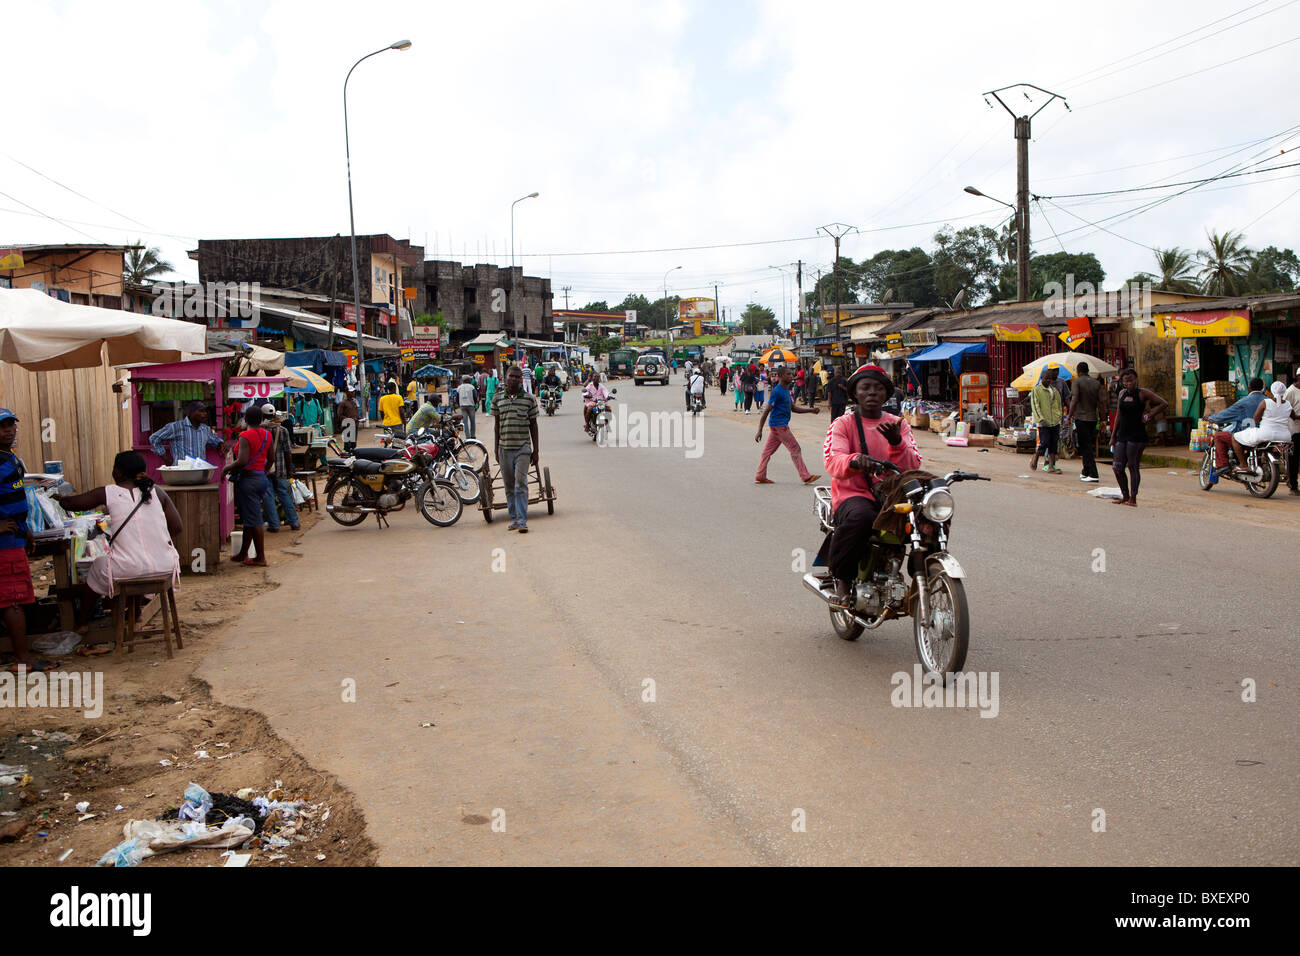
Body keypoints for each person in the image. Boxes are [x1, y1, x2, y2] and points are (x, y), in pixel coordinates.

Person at [821, 365, 922, 607]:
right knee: (861, 517)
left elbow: (913, 465)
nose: (872, 392)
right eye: (865, 387)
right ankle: (842, 579)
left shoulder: (899, 424)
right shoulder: (842, 424)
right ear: (855, 393)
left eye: (878, 388)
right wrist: (854, 460)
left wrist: (897, 443)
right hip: (853, 493)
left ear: (887, 394)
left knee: (928, 517)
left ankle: (924, 574)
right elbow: (832, 460)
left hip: (892, 494)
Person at [55, 451, 183, 633]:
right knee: (135, 560)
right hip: (166, 567)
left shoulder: (108, 492)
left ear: (118, 473)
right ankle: (136, 612)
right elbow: (177, 527)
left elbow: (72, 504)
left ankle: (82, 622)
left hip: (128, 569)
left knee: (99, 566)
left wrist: (59, 499)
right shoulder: (157, 492)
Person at [0, 409, 38, 670]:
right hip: (5, 543)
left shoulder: (9, 457)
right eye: (3, 426)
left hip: (16, 535)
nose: (9, 430)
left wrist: (25, 528)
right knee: (13, 598)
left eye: (12, 425)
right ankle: (22, 657)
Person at [221, 404, 274, 566]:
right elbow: (271, 459)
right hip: (261, 479)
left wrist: (226, 469)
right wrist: (262, 471)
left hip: (249, 480)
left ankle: (260, 557)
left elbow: (242, 460)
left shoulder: (245, 435)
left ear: (246, 419)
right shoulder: (267, 435)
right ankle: (243, 553)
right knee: (250, 518)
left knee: (255, 519)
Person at [755, 366, 822, 484]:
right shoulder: (777, 391)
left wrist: (810, 410)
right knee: (795, 448)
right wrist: (759, 430)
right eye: (788, 374)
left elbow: (793, 408)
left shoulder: (787, 391)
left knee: (767, 452)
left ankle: (760, 475)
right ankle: (805, 476)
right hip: (779, 426)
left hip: (777, 426)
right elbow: (767, 410)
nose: (791, 376)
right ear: (780, 376)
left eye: (791, 374)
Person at [1110, 368, 1167, 507]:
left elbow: (1163, 403)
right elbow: (1119, 415)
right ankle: (1125, 495)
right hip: (1123, 434)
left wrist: (1149, 415)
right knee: (1117, 467)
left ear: (1136, 381)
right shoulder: (1122, 394)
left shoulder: (1142, 393)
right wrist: (1113, 435)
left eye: (1131, 380)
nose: (1128, 383)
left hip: (1137, 435)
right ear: (1123, 382)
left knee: (1133, 465)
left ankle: (1133, 498)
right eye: (1126, 381)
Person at [492, 365, 539, 533]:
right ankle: (514, 517)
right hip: (504, 449)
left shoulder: (529, 399)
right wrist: (496, 448)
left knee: (520, 484)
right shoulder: (497, 399)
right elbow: (497, 426)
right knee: (509, 486)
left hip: (523, 449)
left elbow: (534, 425)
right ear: (505, 378)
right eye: (511, 376)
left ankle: (522, 520)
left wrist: (536, 450)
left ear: (521, 380)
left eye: (517, 377)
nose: (514, 379)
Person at [1225, 381, 1292, 479]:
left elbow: (1255, 418)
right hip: (1285, 436)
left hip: (1265, 434)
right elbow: (1294, 416)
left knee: (1235, 437)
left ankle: (1243, 464)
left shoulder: (1266, 402)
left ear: (1272, 391)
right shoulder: (1288, 404)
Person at [1210, 377, 1267, 473]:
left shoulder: (1244, 402)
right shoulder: (1269, 400)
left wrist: (1211, 418)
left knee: (1219, 436)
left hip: (1247, 435)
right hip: (1264, 434)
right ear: (1262, 388)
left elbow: (1225, 415)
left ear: (1249, 388)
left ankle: (1223, 465)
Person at [259, 404, 300, 533]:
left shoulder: (260, 431)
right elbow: (288, 452)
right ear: (275, 414)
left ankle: (274, 525)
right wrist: (289, 469)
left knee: (268, 496)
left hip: (265, 469)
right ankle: (294, 522)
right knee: (285, 495)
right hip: (281, 469)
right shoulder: (282, 430)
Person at [149, 400, 226, 465]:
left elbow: (214, 440)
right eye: (201, 411)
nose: (205, 414)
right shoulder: (175, 427)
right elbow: (154, 438)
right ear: (191, 413)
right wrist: (166, 459)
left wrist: (221, 444)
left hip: (200, 471)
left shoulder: (205, 429)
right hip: (181, 472)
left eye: (205, 411)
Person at [1066, 362, 1106, 482]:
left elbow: (1074, 399)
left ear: (1078, 371)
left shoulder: (1076, 382)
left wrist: (1069, 416)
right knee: (1087, 445)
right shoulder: (1096, 383)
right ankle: (1085, 471)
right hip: (1093, 418)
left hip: (1081, 418)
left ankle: (1093, 474)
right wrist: (1103, 419)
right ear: (1088, 370)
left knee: (1086, 446)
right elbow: (1101, 403)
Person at [1029, 364, 1065, 475]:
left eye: (1049, 379)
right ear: (1042, 378)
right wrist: (1040, 419)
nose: (1048, 381)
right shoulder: (1037, 390)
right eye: (1046, 379)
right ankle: (1036, 456)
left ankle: (1051, 466)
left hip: (1055, 422)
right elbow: (1035, 405)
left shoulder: (1054, 390)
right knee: (1044, 442)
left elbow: (1059, 405)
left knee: (1053, 444)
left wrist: (1059, 416)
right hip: (1043, 422)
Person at [1284, 372, 1300, 496]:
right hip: (1293, 430)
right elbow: (1285, 408)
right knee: (1293, 459)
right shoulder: (1290, 391)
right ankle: (1293, 485)